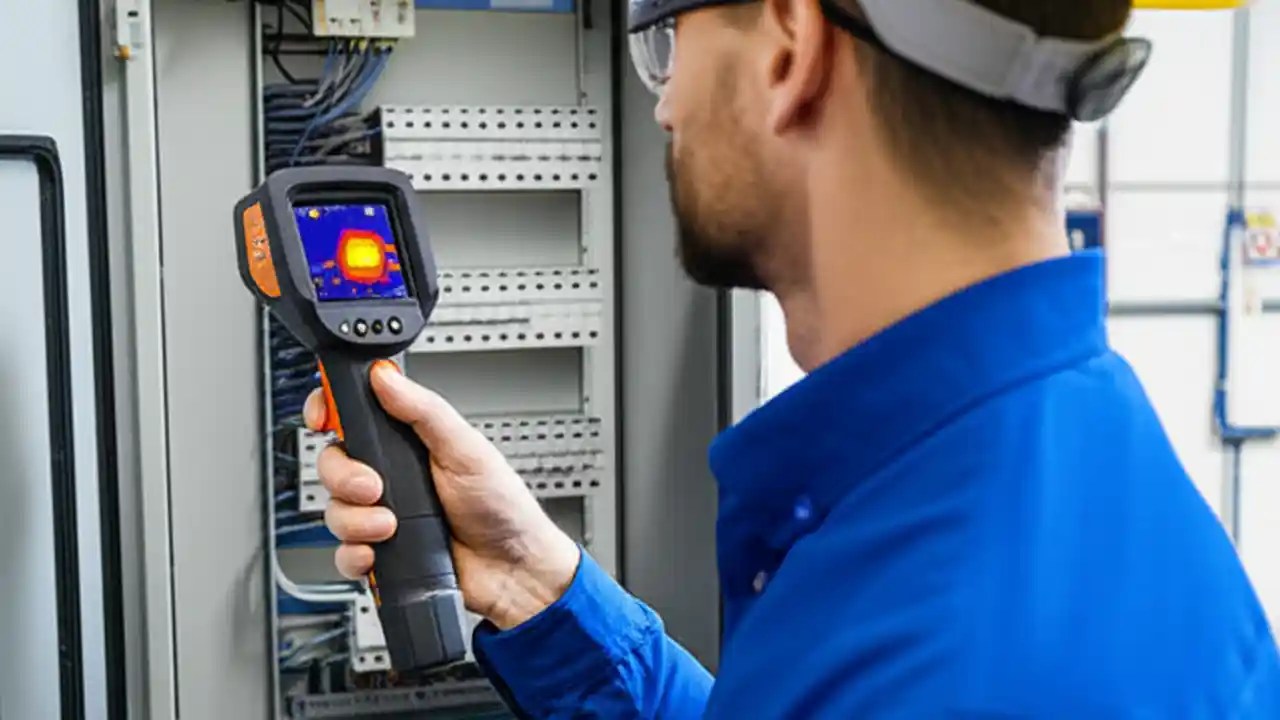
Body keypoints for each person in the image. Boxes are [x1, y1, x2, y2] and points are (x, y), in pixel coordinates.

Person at [306, 0, 1280, 716]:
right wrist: (534, 586)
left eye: (664, 41)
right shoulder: (1085, 458)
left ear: (789, 44)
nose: (664, 109)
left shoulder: (951, 651)